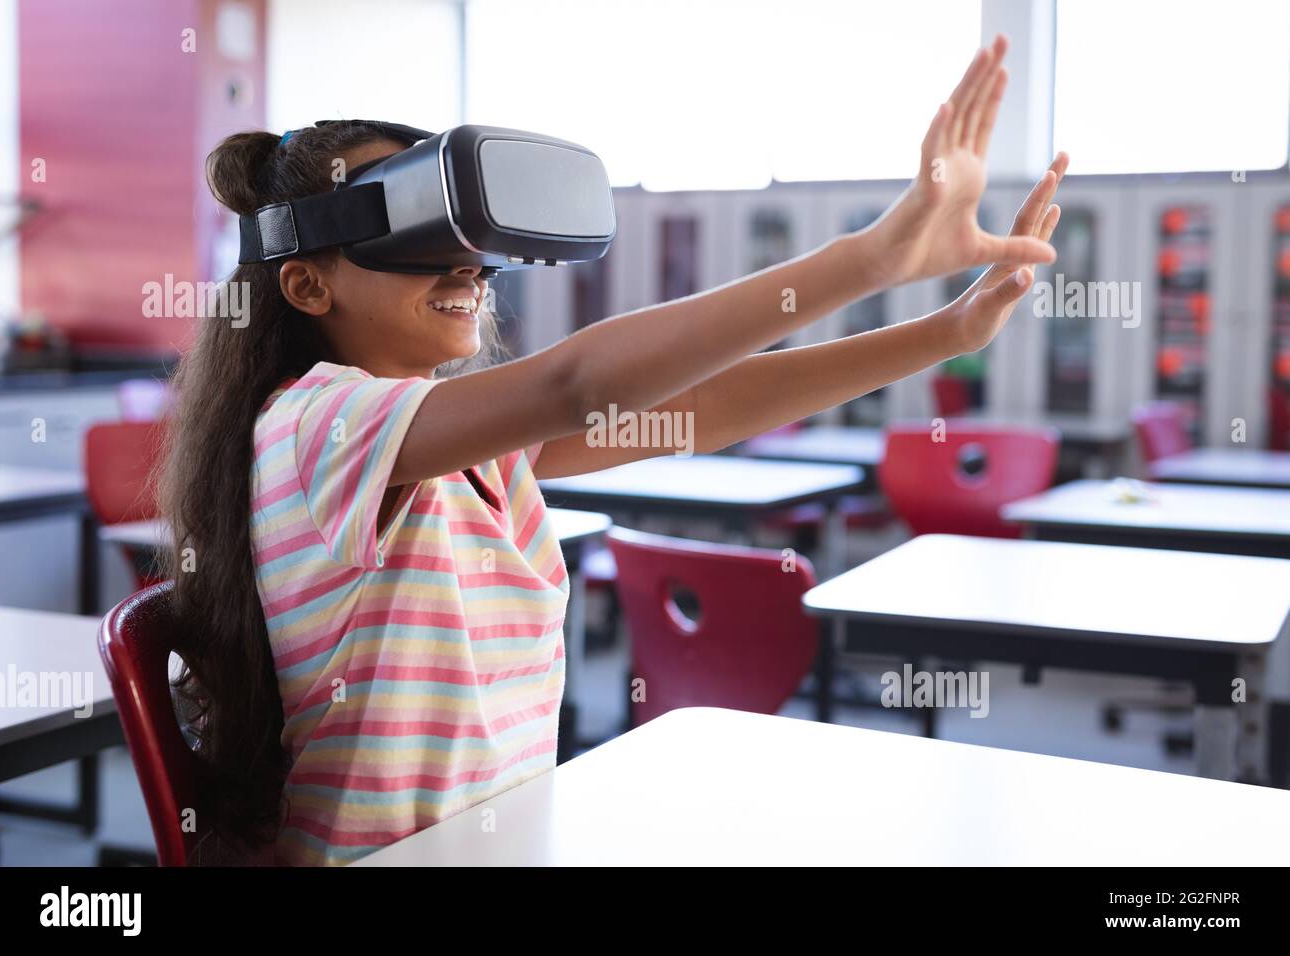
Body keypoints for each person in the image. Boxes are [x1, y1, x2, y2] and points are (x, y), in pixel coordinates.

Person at [159, 33, 1068, 865]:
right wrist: (865, 261)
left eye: (469, 240)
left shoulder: (472, 443)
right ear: (308, 283)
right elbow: (580, 384)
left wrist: (941, 334)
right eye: (412, 235)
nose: (468, 267)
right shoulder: (316, 424)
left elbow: (698, 409)